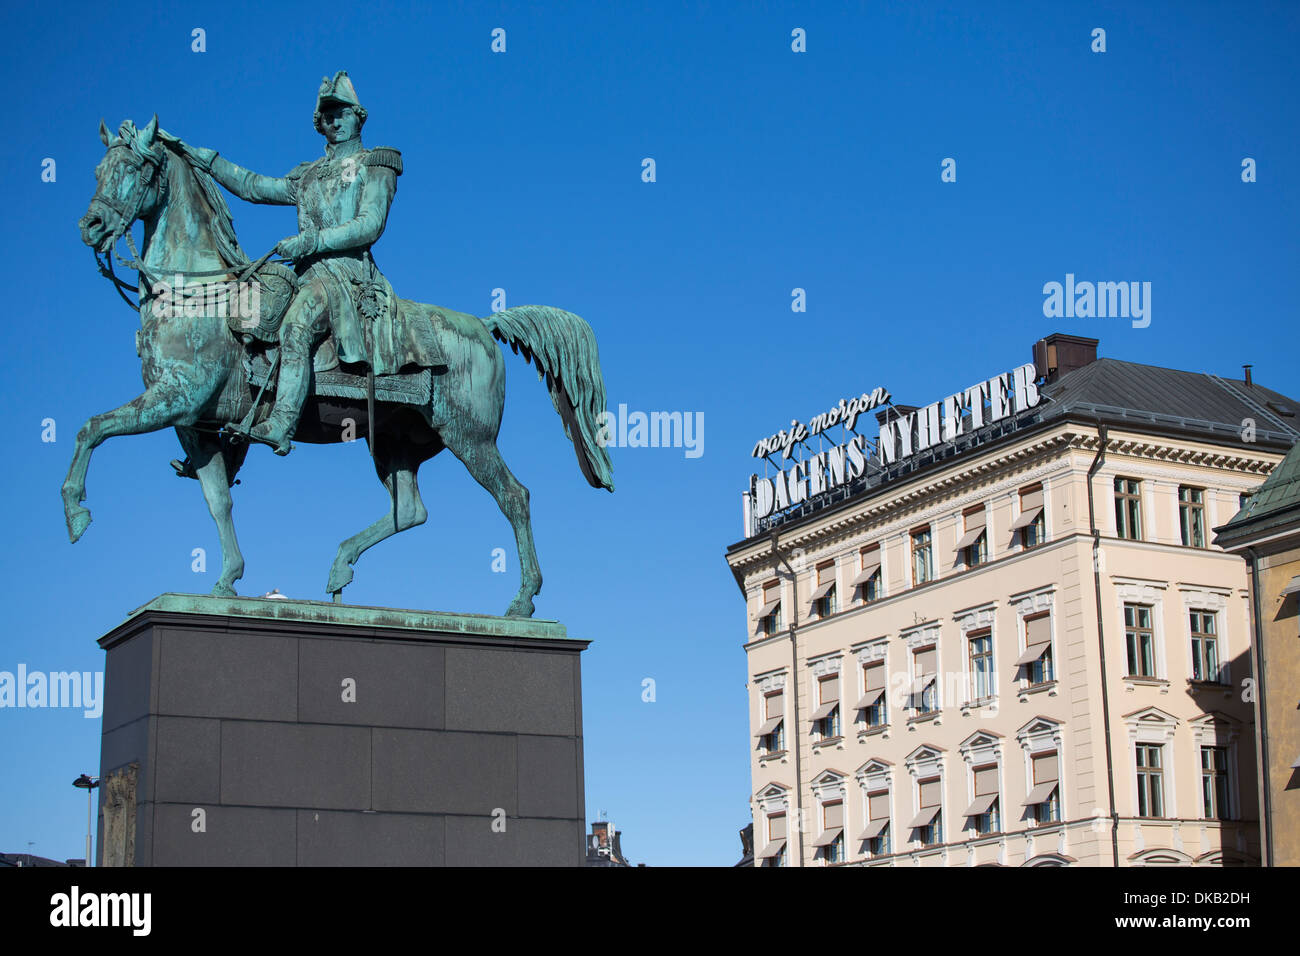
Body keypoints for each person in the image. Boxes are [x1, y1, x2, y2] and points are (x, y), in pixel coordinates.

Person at [173, 71, 406, 454]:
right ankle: (230, 442)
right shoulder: (309, 174)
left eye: (341, 112)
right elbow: (255, 187)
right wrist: (206, 160)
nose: (334, 120)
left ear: (357, 116)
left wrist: (312, 240)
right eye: (327, 114)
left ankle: (281, 425)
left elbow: (370, 224)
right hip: (307, 274)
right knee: (245, 318)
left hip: (346, 276)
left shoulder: (375, 164)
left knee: (296, 325)